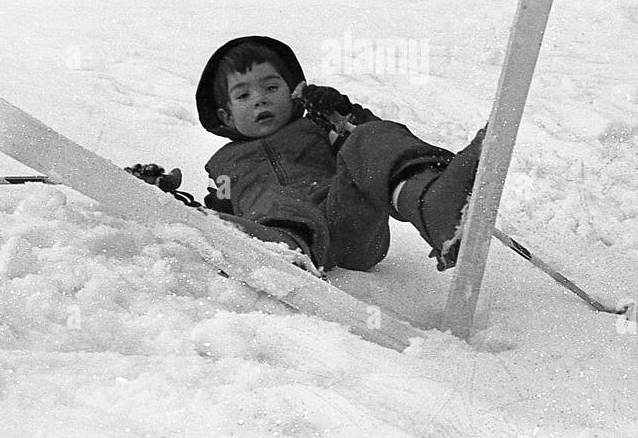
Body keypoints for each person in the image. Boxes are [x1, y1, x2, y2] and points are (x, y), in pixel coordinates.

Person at [130, 35, 482, 275]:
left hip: (351, 231)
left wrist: (344, 115)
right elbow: (225, 206)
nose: (260, 99)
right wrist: (169, 199)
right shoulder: (224, 167)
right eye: (243, 95)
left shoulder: (319, 127)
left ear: (292, 91)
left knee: (366, 138)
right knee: (268, 206)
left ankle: (431, 201)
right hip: (280, 235)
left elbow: (371, 152)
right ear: (226, 116)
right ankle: (274, 246)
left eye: (271, 88)